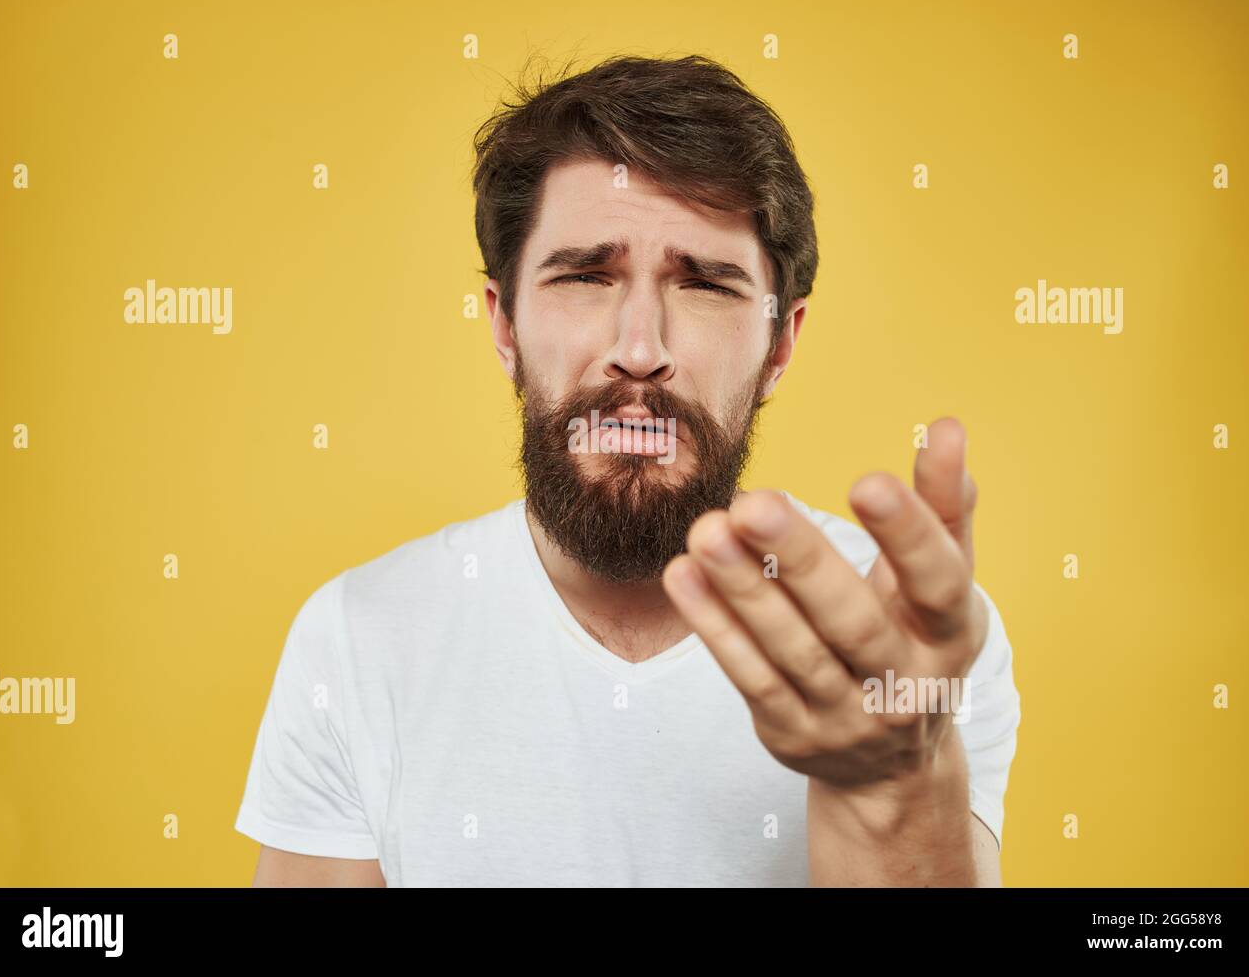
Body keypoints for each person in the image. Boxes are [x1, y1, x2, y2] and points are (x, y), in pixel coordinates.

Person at [235, 54, 1020, 886]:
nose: (639, 351)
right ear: (504, 326)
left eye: (707, 286)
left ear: (780, 345)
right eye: (583, 276)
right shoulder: (359, 637)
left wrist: (895, 780)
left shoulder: (906, 644)